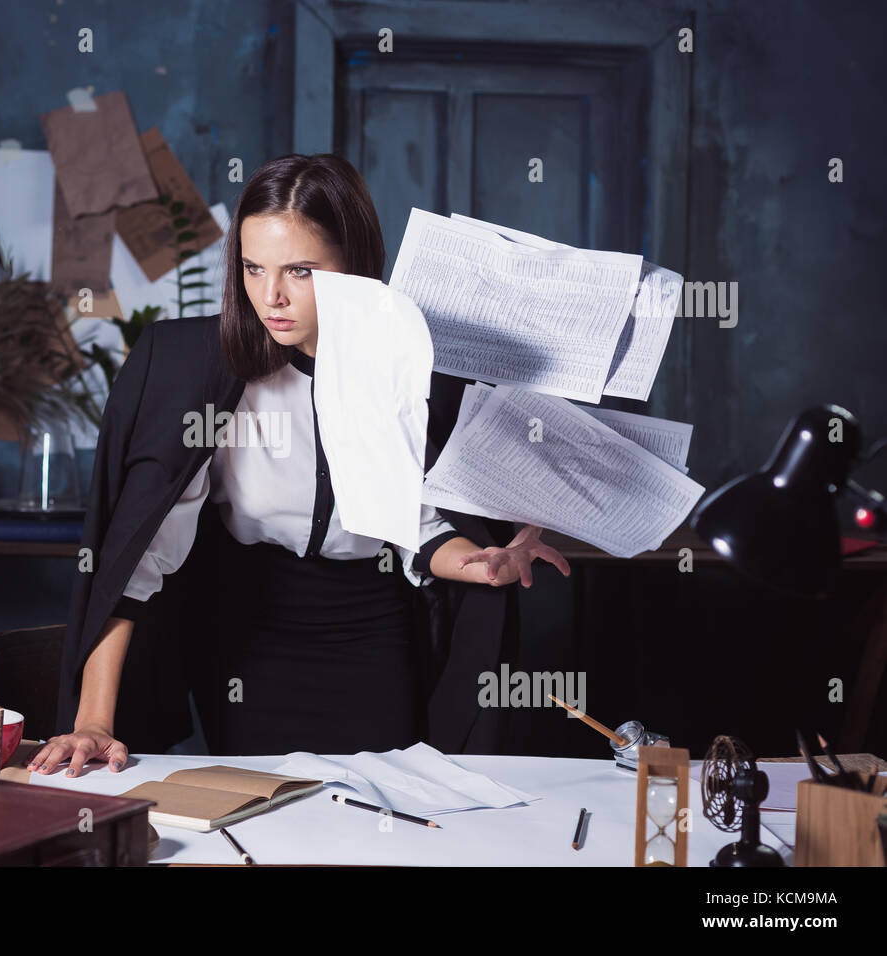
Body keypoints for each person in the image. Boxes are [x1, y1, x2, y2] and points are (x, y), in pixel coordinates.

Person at [33, 154, 569, 777]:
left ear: (355, 266)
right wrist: (94, 722)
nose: (271, 296)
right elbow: (135, 560)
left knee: (379, 810)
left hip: (372, 624)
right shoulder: (194, 372)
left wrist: (483, 568)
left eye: (301, 271)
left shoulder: (407, 367)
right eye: (253, 268)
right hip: (246, 631)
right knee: (266, 812)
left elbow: (416, 527)